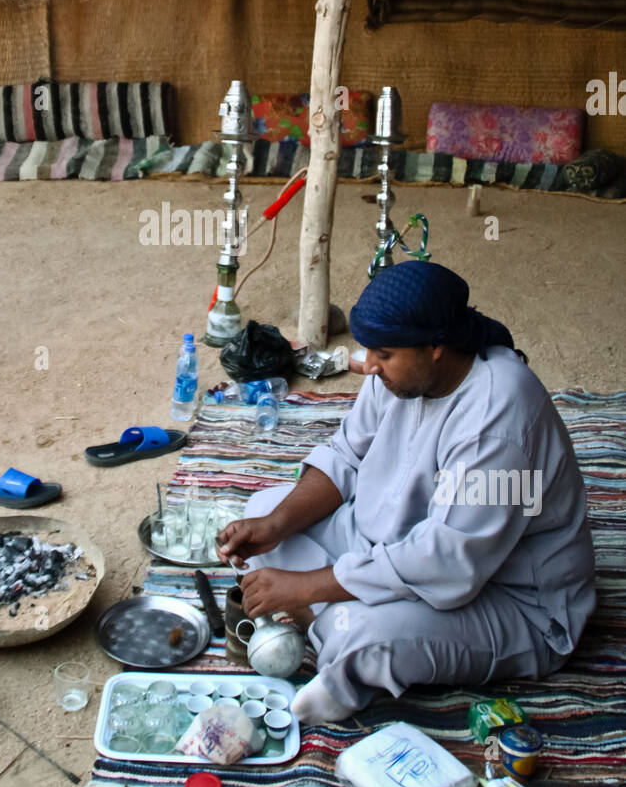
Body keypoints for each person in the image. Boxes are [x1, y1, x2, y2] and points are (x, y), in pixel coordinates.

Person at [216, 262, 596, 725]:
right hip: (394, 542)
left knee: (360, 636)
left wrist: (305, 585)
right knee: (264, 510)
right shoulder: (398, 374)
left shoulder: (498, 419)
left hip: (509, 596)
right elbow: (346, 456)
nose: (368, 366)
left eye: (385, 354)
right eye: (369, 351)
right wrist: (274, 525)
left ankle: (336, 632)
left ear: (436, 347)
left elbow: (446, 561)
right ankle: (330, 612)